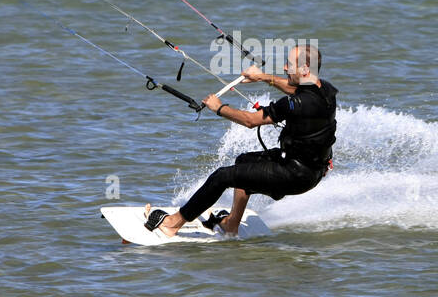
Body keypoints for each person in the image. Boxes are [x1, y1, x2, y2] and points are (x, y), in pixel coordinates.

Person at [144, 44, 337, 238]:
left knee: (222, 177)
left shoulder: (294, 104)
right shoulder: (325, 89)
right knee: (243, 161)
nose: (285, 68)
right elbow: (294, 89)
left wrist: (219, 108)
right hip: (312, 169)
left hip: (294, 174)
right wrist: (262, 77)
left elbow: (250, 121)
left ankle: (173, 223)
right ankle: (231, 225)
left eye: (289, 65)